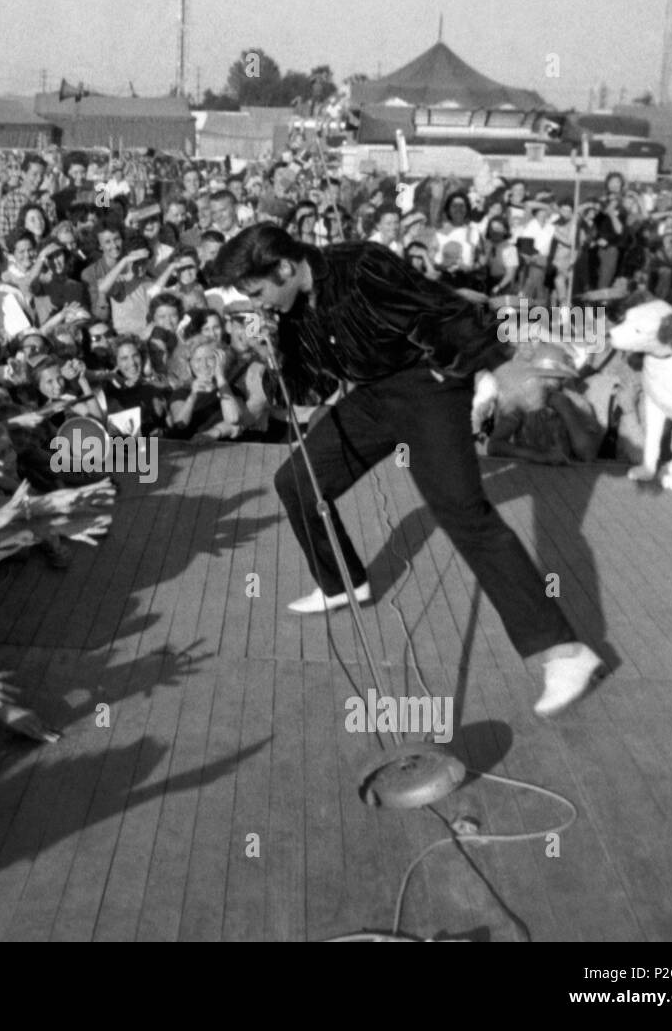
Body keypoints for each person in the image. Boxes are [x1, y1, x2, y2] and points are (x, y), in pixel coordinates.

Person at [211, 224, 604, 717]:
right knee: (297, 481)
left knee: (463, 512)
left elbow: (444, 310)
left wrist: (500, 365)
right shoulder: (288, 310)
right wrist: (276, 351)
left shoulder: (361, 266)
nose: (258, 302)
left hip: (429, 387)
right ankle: (342, 583)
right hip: (373, 396)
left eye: (257, 290)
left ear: (285, 268)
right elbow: (308, 388)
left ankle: (564, 651)